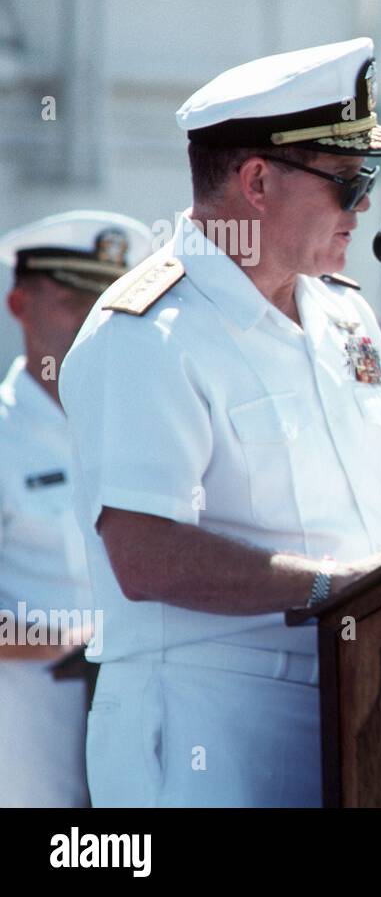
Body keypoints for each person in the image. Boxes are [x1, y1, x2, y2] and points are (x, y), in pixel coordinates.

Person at [59, 37, 381, 808]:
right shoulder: (145, 332)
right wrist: (345, 585)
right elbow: (144, 553)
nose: (365, 205)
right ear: (257, 181)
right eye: (348, 180)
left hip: (354, 706)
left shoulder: (343, 315)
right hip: (206, 730)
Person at [0, 211, 152, 806]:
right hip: (27, 746)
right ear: (20, 306)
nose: (91, 324)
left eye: (105, 307)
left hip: (141, 738)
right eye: (71, 301)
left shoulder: (148, 430)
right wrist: (75, 638)